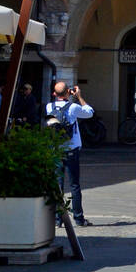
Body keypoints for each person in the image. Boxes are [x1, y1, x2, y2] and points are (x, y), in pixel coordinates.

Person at [45, 81, 95, 227]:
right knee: (74, 185)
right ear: (68, 91)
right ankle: (78, 218)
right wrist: (79, 96)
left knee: (57, 185)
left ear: (54, 94)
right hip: (72, 149)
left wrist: (66, 95)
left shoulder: (49, 106)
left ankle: (57, 219)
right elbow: (89, 112)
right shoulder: (73, 107)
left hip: (56, 149)